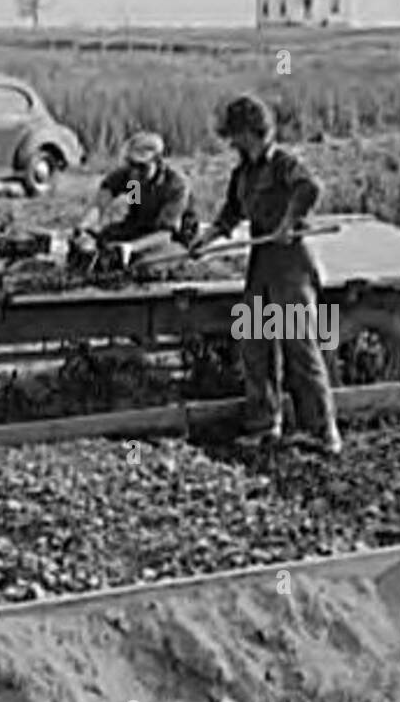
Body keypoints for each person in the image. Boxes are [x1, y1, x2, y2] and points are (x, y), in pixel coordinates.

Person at [191, 94, 342, 455]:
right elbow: (230, 214)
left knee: (299, 347)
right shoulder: (242, 172)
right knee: (255, 344)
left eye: (236, 135)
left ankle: (323, 431)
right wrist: (205, 239)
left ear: (252, 132)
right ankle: (264, 424)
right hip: (261, 262)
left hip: (291, 261)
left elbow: (310, 188)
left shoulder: (283, 164)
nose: (231, 143)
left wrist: (288, 224)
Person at [75, 131, 195, 270]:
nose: (135, 172)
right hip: (138, 227)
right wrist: (85, 227)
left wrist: (131, 247)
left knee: (144, 266)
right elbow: (102, 201)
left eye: (142, 167)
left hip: (172, 238)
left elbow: (165, 233)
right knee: (98, 244)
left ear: (157, 162)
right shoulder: (132, 176)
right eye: (132, 164)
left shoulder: (176, 185)